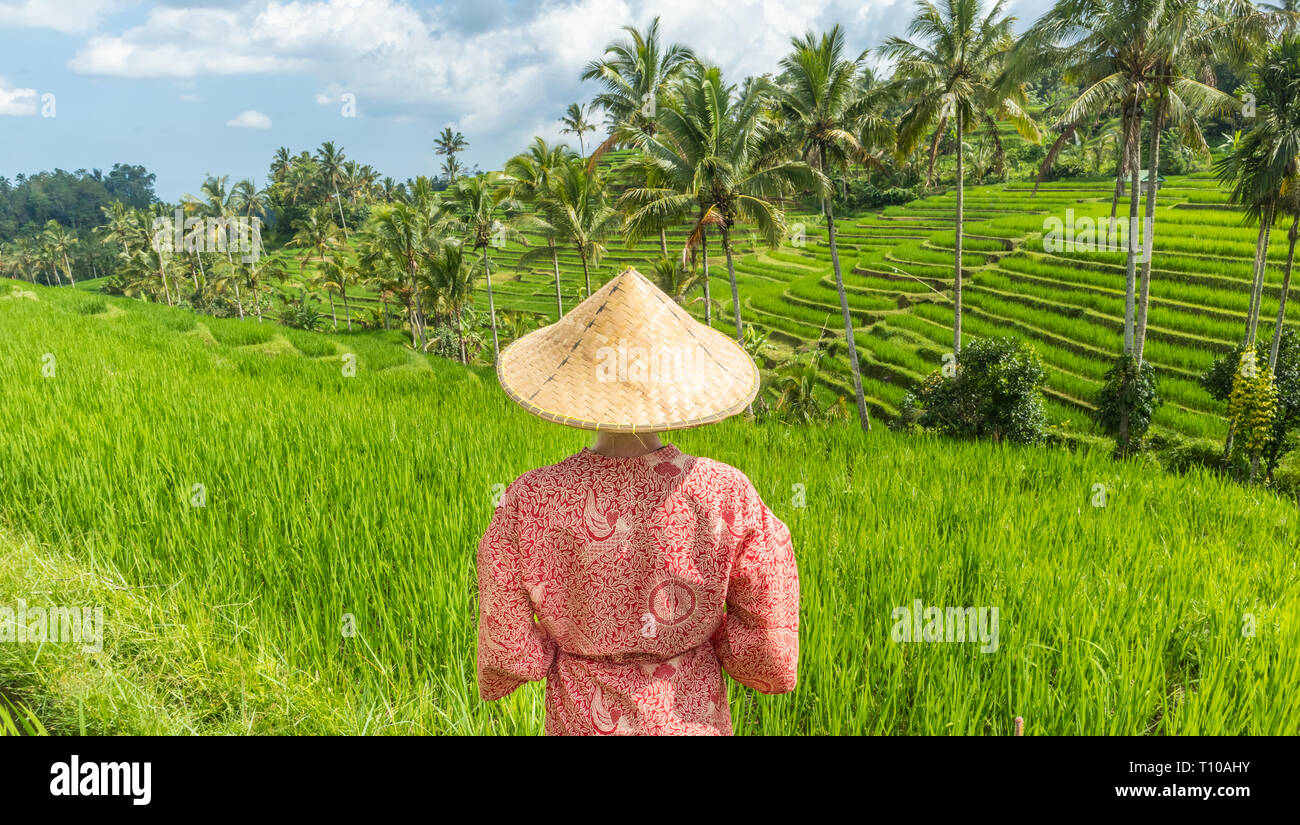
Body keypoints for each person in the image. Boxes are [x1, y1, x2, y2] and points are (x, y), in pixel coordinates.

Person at [476, 267, 800, 735]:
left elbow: (510, 649)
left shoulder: (530, 500)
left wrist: (553, 648)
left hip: (580, 715)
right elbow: (769, 646)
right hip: (691, 715)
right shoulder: (725, 493)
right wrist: (713, 643)